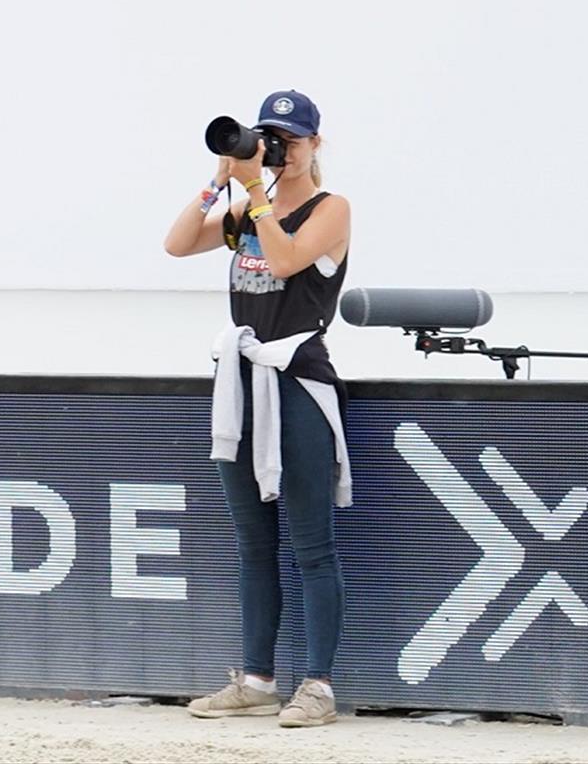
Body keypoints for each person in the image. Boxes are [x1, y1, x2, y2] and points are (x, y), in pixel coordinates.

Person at [166, 89, 352, 731]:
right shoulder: (248, 207)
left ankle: (319, 685)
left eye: (289, 141)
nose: (277, 151)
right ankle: (255, 678)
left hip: (296, 381)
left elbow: (285, 260)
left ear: (314, 145)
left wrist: (261, 198)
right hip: (242, 381)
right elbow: (176, 243)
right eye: (269, 139)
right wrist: (218, 182)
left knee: (312, 546)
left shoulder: (331, 209)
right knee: (253, 544)